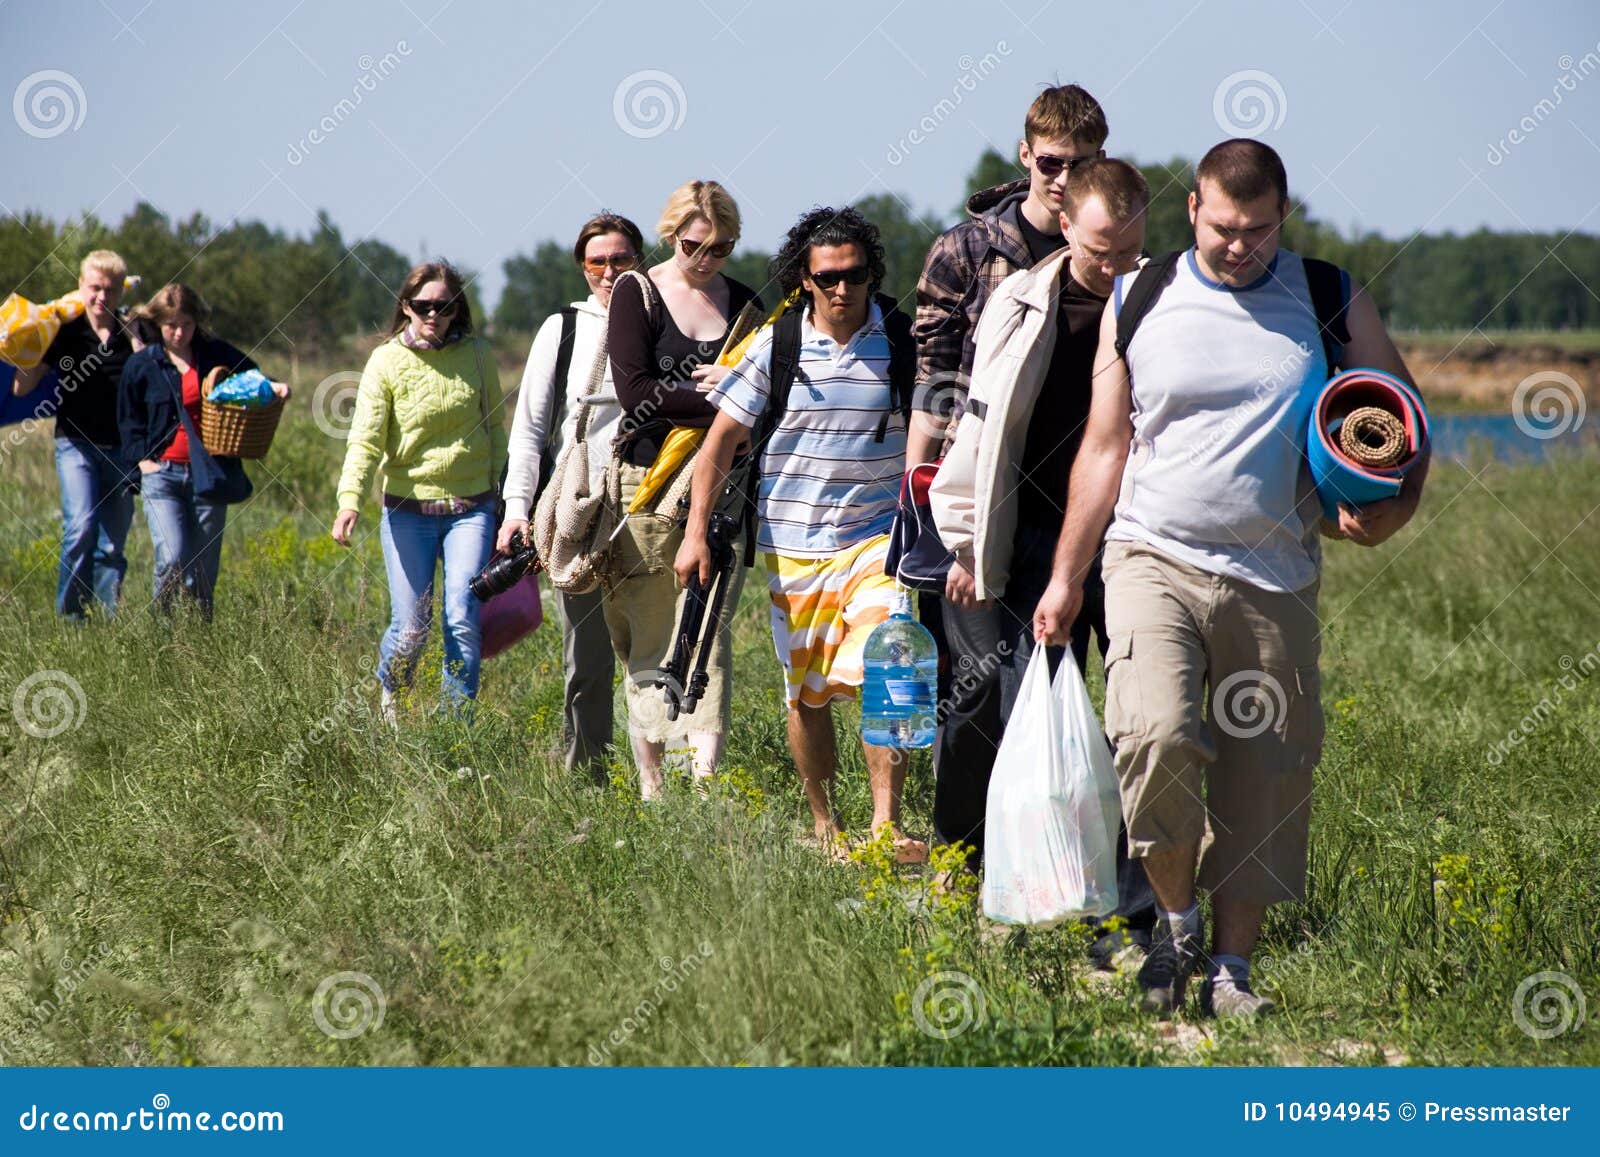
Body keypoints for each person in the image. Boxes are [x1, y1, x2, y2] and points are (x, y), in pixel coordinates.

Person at [1033, 139, 1430, 1018]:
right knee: (1153, 734)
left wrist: (1391, 509)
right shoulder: (1141, 294)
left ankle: (1231, 971)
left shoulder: (1328, 294)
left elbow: (1405, 417)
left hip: (1274, 574)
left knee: (1265, 771)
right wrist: (1066, 576)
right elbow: (1105, 447)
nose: (1238, 245)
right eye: (1222, 227)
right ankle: (1174, 924)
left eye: (1256, 230)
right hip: (1151, 555)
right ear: (1193, 212)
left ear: (1282, 217)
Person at [929, 159, 1156, 943]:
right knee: (1017, 702)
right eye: (1101, 252)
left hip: (1135, 539)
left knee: (1139, 717)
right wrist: (968, 545)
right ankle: (1010, 877)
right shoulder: (1019, 301)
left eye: (1131, 251)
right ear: (1065, 226)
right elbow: (978, 432)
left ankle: (1132, 906)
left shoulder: (1165, 302)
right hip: (1031, 538)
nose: (1116, 268)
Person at [676, 206, 927, 861]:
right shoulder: (777, 344)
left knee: (890, 661)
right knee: (808, 695)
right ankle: (825, 824)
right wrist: (695, 533)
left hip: (878, 541)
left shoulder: (902, 339)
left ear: (871, 273)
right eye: (827, 278)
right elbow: (719, 443)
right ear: (804, 279)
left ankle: (886, 824)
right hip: (793, 550)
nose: (842, 289)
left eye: (855, 275)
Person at [907, 84, 1110, 865]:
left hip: (1078, 508)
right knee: (974, 697)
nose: (1063, 177)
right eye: (1052, 161)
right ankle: (960, 855)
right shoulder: (967, 251)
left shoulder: (1116, 252)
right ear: (1026, 154)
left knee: (1053, 686)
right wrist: (923, 516)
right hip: (980, 505)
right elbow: (931, 386)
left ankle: (1038, 866)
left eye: (1081, 162)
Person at [605, 180, 762, 797]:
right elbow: (637, 395)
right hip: (647, 482)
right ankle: (653, 788)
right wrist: (726, 393)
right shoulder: (636, 291)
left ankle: (703, 785)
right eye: (697, 245)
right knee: (648, 633)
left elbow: (771, 395)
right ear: (673, 236)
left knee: (710, 630)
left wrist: (736, 393)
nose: (707, 259)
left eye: (723, 248)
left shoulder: (748, 305)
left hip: (724, 484)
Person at [500, 212, 644, 781]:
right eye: (597, 261)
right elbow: (530, 430)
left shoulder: (663, 319)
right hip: (575, 512)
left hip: (647, 508)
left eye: (621, 259)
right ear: (583, 268)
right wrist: (516, 509)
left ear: (641, 260)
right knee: (586, 658)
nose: (609, 271)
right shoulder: (561, 329)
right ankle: (587, 780)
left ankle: (660, 785)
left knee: (652, 654)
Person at [331, 261, 507, 712]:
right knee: (412, 627)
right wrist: (349, 500)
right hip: (408, 510)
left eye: (443, 306)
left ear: (456, 309)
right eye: (423, 306)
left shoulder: (478, 354)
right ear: (406, 307)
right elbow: (366, 438)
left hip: (471, 509)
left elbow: (495, 428)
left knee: (462, 619)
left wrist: (507, 496)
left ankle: (455, 729)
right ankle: (392, 693)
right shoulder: (386, 360)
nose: (433, 315)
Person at [118, 283, 287, 617]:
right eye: (170, 325)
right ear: (157, 324)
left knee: (203, 572)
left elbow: (252, 376)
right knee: (172, 557)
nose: (179, 333)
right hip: (162, 475)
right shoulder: (143, 365)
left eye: (187, 324)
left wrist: (274, 387)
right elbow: (128, 419)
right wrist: (142, 462)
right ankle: (162, 633)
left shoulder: (214, 353)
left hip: (209, 472)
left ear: (197, 323)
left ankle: (199, 638)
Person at [11, 251, 138, 620]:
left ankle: (108, 617)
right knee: (81, 527)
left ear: (120, 292)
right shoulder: (64, 332)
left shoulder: (131, 334)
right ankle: (71, 617)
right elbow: (23, 387)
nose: (102, 296)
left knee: (113, 544)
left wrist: (138, 342)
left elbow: (152, 378)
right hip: (75, 443)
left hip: (122, 448)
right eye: (95, 288)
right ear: (81, 286)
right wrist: (24, 347)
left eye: (110, 290)